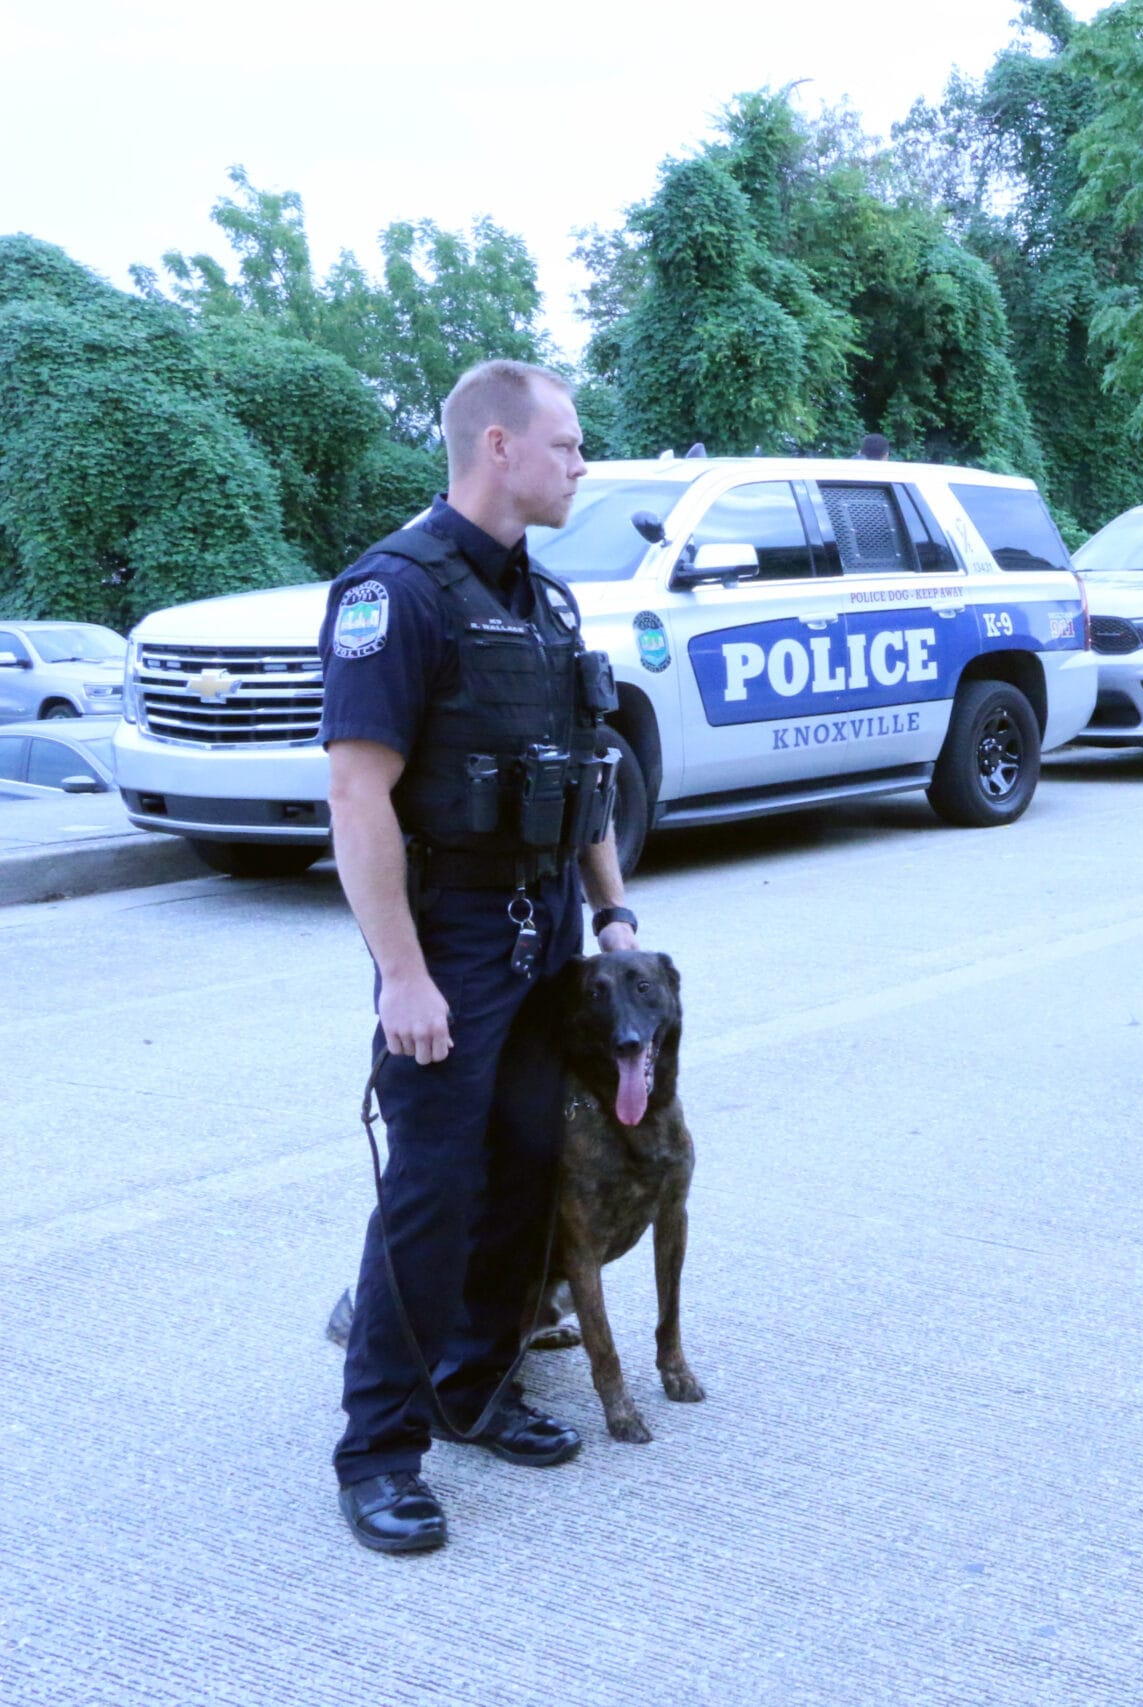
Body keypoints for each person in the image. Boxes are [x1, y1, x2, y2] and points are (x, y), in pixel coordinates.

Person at [323, 359, 638, 1554]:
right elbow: (358, 795)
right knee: (432, 1189)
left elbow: (582, 778)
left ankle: (472, 1384)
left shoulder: (546, 604)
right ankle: (378, 1448)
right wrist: (402, 972)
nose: (580, 463)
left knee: (521, 1170)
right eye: (566, 443)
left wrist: (611, 913)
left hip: (546, 928)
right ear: (498, 447)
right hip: (449, 936)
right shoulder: (395, 593)